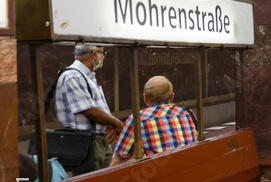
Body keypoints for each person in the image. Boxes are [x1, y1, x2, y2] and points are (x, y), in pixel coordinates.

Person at [54, 43, 124, 171]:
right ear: (94, 53)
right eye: (103, 53)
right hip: (86, 142)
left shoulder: (88, 76)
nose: (103, 57)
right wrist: (117, 123)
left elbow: (97, 107)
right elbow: (89, 110)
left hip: (101, 139)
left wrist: (108, 123)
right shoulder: (73, 76)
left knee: (107, 181)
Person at [111, 76, 198, 165]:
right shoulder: (187, 114)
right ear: (172, 96)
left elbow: (119, 158)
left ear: (145, 98)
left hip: (157, 175)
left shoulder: (137, 119)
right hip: (187, 169)